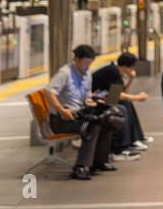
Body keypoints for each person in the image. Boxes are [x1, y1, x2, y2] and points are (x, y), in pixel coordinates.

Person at [45, 44, 122, 180]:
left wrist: (94, 102)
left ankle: (99, 162)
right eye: (85, 63)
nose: (87, 67)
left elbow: (86, 98)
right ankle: (81, 167)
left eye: (90, 63)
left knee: (108, 120)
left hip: (79, 114)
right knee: (91, 126)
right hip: (61, 119)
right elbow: (49, 92)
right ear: (76, 59)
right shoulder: (65, 73)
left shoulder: (87, 75)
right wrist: (61, 110)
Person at [91, 51, 153, 159]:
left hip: (102, 98)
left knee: (126, 102)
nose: (133, 69)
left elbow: (122, 92)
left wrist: (131, 79)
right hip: (95, 100)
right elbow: (117, 95)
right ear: (125, 66)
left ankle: (135, 138)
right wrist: (137, 97)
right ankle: (124, 145)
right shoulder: (112, 72)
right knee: (124, 105)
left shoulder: (115, 71)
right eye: (132, 67)